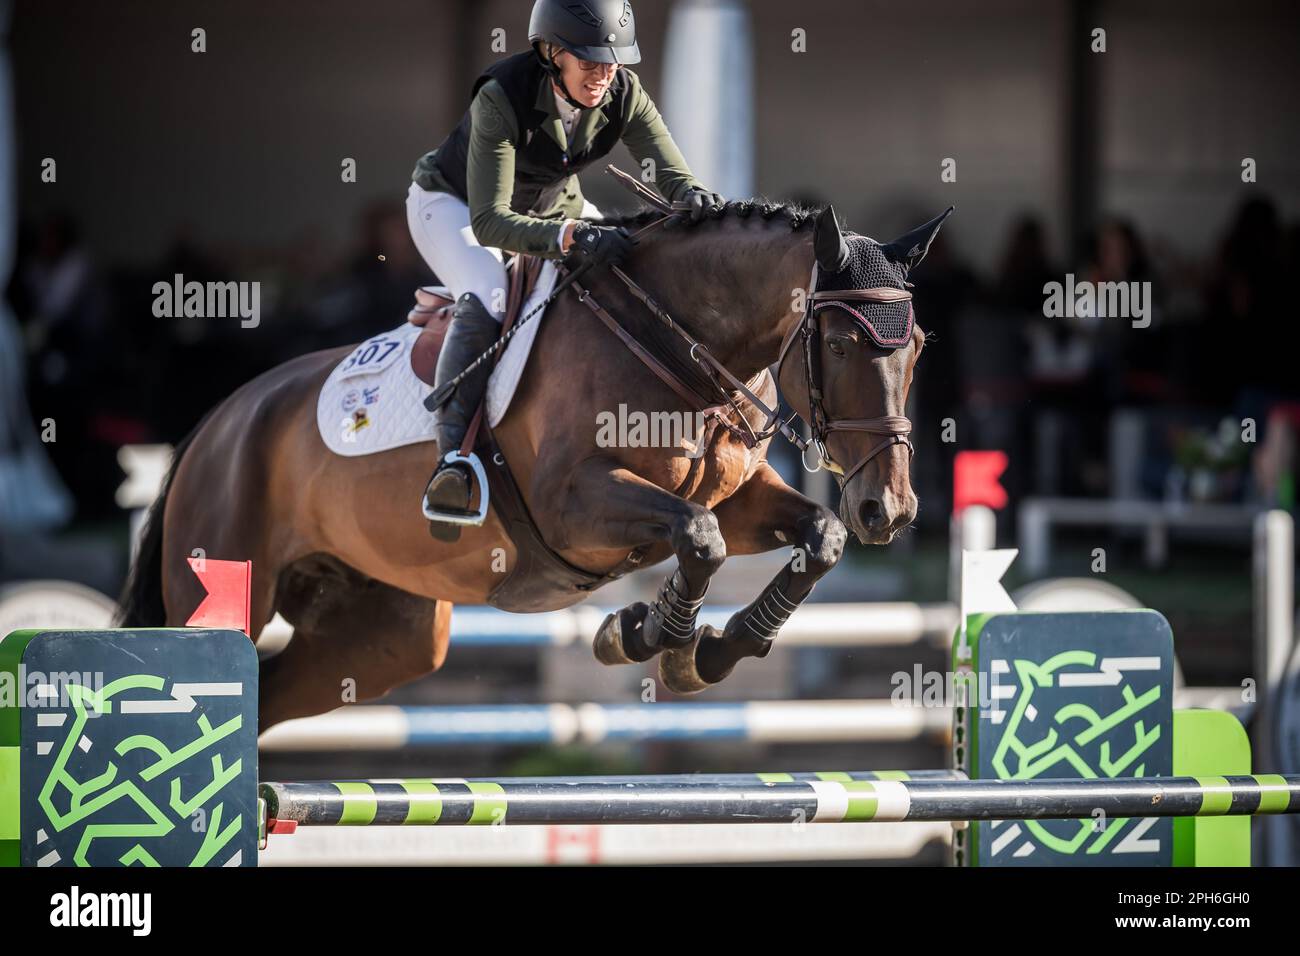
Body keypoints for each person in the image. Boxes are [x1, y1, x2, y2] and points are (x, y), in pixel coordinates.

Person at [407, 0, 722, 533]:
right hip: (453, 206)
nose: (605, 75)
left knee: (632, 265)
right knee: (490, 293)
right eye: (591, 61)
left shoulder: (623, 91)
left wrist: (693, 198)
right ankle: (453, 460)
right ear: (553, 54)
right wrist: (571, 236)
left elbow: (670, 171)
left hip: (553, 205)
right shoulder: (502, 97)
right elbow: (491, 223)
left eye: (613, 62)